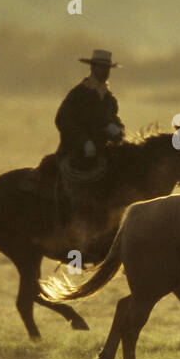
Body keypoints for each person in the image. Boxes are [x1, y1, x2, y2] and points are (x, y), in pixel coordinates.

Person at [53, 49, 125, 241]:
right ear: (92, 68)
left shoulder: (110, 98)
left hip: (102, 152)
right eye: (101, 67)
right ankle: (73, 229)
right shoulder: (78, 93)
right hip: (75, 152)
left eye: (107, 68)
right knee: (76, 190)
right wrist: (83, 142)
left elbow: (114, 120)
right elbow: (63, 120)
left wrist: (117, 130)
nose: (105, 72)